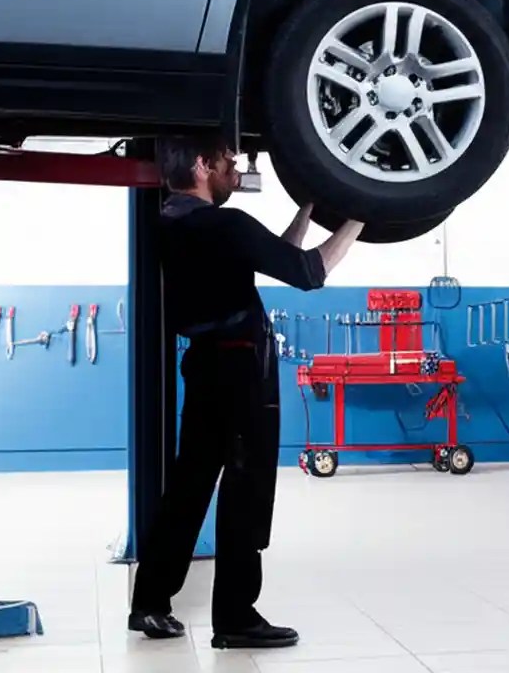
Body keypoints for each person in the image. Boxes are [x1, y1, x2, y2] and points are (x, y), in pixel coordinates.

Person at [127, 135, 364, 649]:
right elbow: (307, 272)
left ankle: (149, 603)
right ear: (200, 164)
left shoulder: (171, 221)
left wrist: (310, 207)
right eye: (227, 160)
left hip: (207, 366)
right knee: (246, 490)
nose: (236, 167)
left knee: (190, 487)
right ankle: (235, 616)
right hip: (240, 373)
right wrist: (367, 214)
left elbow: (275, 255)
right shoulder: (223, 224)